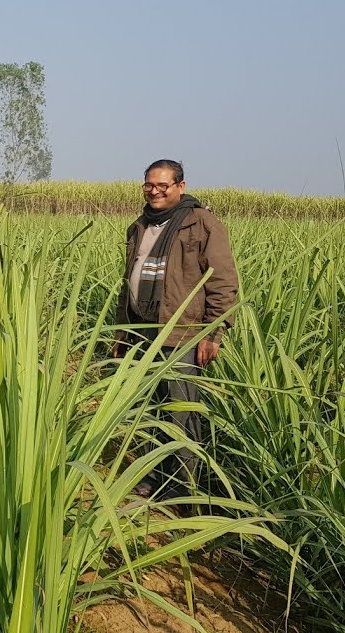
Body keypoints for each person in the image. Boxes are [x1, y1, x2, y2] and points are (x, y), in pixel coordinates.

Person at [112, 159, 238, 499]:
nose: (154, 191)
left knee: (180, 409)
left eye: (162, 185)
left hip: (181, 332)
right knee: (149, 410)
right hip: (143, 330)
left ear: (180, 186)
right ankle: (154, 475)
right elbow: (130, 280)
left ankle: (183, 486)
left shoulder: (201, 223)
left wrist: (214, 332)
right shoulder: (140, 225)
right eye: (149, 185)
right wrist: (123, 331)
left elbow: (224, 280)